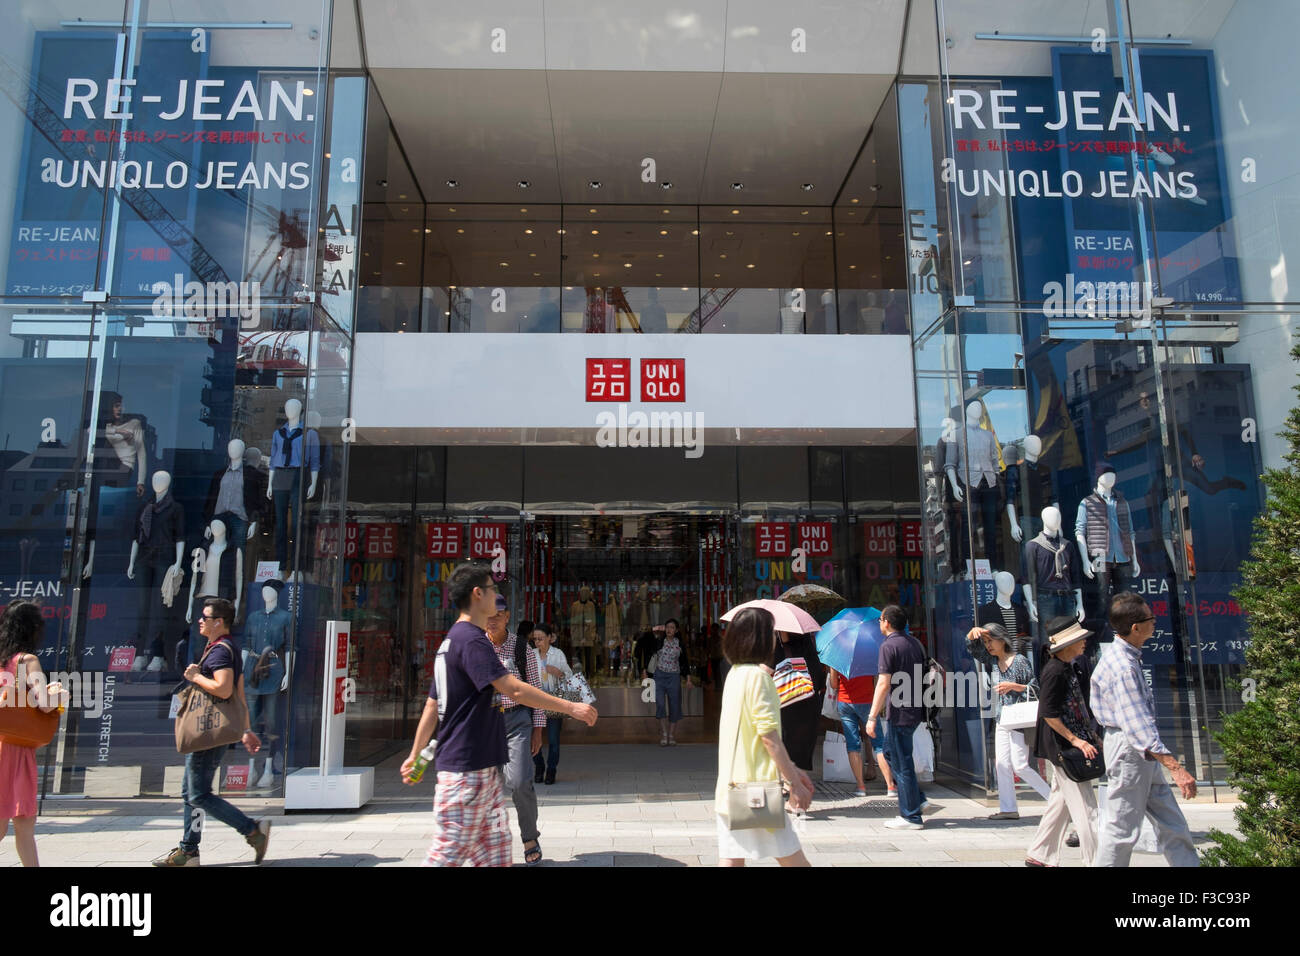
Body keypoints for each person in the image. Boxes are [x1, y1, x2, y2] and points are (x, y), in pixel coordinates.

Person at [402, 564, 596, 867]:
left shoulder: (452, 640)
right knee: (447, 858)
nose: (497, 599)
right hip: (466, 772)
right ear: (478, 595)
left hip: (482, 771)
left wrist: (415, 754)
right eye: (492, 589)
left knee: (495, 854)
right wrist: (571, 707)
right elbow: (514, 689)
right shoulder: (472, 641)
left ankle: (529, 835)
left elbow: (432, 705)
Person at [153, 597, 271, 867]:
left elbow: (224, 688)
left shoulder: (220, 651)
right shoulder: (225, 648)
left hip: (206, 730)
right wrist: (246, 729)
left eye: (205, 617)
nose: (200, 621)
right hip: (212, 731)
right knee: (190, 792)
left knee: (198, 795)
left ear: (219, 622)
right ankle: (188, 851)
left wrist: (196, 677)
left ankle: (252, 830)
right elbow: (239, 694)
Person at [1091, 593, 1199, 867]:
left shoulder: (1125, 656)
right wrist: (1175, 766)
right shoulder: (1123, 666)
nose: (1155, 622)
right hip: (1131, 749)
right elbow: (1137, 723)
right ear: (1135, 627)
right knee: (1122, 828)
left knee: (1170, 820)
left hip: (1138, 750)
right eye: (1151, 618)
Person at [715, 607, 813, 867]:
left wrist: (791, 770)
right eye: (770, 632)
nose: (774, 638)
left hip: (730, 789)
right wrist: (794, 782)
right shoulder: (759, 678)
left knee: (731, 860)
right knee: (795, 860)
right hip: (757, 793)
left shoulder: (734, 674)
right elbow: (768, 737)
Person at [1026, 618, 1102, 867]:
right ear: (1067, 644)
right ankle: (1096, 862)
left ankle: (1040, 854)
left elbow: (1078, 707)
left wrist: (1089, 736)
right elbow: (1049, 714)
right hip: (1064, 748)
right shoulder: (1055, 671)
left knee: (1060, 802)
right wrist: (1077, 741)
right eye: (1080, 640)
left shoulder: (1069, 666)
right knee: (1086, 809)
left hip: (1069, 745)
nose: (1084, 643)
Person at [0, 601, 65, 867]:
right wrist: (59, 694)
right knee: (24, 824)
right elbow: (45, 703)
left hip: (2, 741)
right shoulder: (28, 660)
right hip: (17, 748)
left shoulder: (3, 661)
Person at [485, 595, 547, 864]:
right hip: (485, 725)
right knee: (487, 788)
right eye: (488, 614)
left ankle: (529, 837)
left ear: (507, 616)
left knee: (521, 781)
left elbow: (536, 691)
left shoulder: (522, 649)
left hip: (517, 722)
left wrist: (538, 730)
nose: (493, 620)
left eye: (498, 614)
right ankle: (491, 841)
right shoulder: (475, 647)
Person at [966, 621, 1050, 820]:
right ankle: (1008, 808)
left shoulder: (1019, 660)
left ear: (1002, 639)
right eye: (986, 641)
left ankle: (1055, 799)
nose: (988, 645)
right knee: (1002, 764)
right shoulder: (993, 662)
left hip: (1019, 719)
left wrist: (1015, 686)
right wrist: (972, 634)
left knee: (1020, 765)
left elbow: (1035, 689)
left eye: (991, 640)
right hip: (1002, 718)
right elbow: (972, 650)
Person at [866, 605, 937, 829]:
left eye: (880, 619)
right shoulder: (915, 643)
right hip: (916, 709)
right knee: (890, 753)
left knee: (902, 762)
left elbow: (883, 683)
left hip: (900, 712)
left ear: (887, 622)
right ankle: (919, 799)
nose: (879, 623)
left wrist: (871, 716)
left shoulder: (888, 646)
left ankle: (911, 816)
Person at [828, 665, 895, 798]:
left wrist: (833, 671)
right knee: (879, 744)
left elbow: (834, 685)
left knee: (853, 746)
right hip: (867, 701)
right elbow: (878, 679)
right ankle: (891, 786)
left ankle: (860, 787)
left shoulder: (839, 656)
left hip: (845, 702)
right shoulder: (869, 652)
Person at [769, 629, 825, 782]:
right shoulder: (810, 651)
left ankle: (789, 782)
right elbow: (819, 680)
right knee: (801, 745)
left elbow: (769, 671)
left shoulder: (779, 650)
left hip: (788, 704)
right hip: (809, 703)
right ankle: (796, 781)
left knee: (786, 742)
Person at [531, 622, 572, 785]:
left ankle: (551, 770)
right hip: (536, 701)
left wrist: (558, 672)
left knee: (554, 739)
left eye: (541, 638)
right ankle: (539, 767)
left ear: (550, 638)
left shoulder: (558, 654)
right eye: (535, 639)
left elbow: (569, 677)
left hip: (554, 700)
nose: (538, 642)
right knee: (534, 737)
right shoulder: (531, 654)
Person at [645, 618, 692, 746]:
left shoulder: (680, 644)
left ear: (676, 630)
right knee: (660, 704)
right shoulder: (659, 642)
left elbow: (685, 662)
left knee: (674, 705)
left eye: (672, 627)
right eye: (667, 627)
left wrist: (688, 678)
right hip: (659, 676)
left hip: (674, 677)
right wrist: (645, 673)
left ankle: (671, 735)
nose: (669, 630)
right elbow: (649, 654)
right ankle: (664, 733)